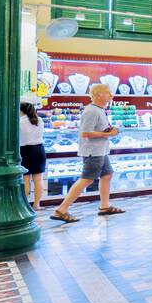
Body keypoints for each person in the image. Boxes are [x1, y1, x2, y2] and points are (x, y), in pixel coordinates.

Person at [50, 84, 124, 223]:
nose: (111, 95)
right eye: (108, 93)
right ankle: (61, 210)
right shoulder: (91, 111)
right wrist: (107, 134)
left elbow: (96, 130)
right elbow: (85, 133)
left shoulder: (99, 110)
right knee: (87, 179)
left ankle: (104, 206)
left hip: (101, 150)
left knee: (107, 175)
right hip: (93, 151)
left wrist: (109, 131)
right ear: (98, 95)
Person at [19, 98, 46, 212]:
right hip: (39, 150)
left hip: (25, 150)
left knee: (25, 179)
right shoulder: (39, 120)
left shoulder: (19, 122)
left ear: (21, 111)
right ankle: (37, 204)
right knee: (38, 179)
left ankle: (25, 205)